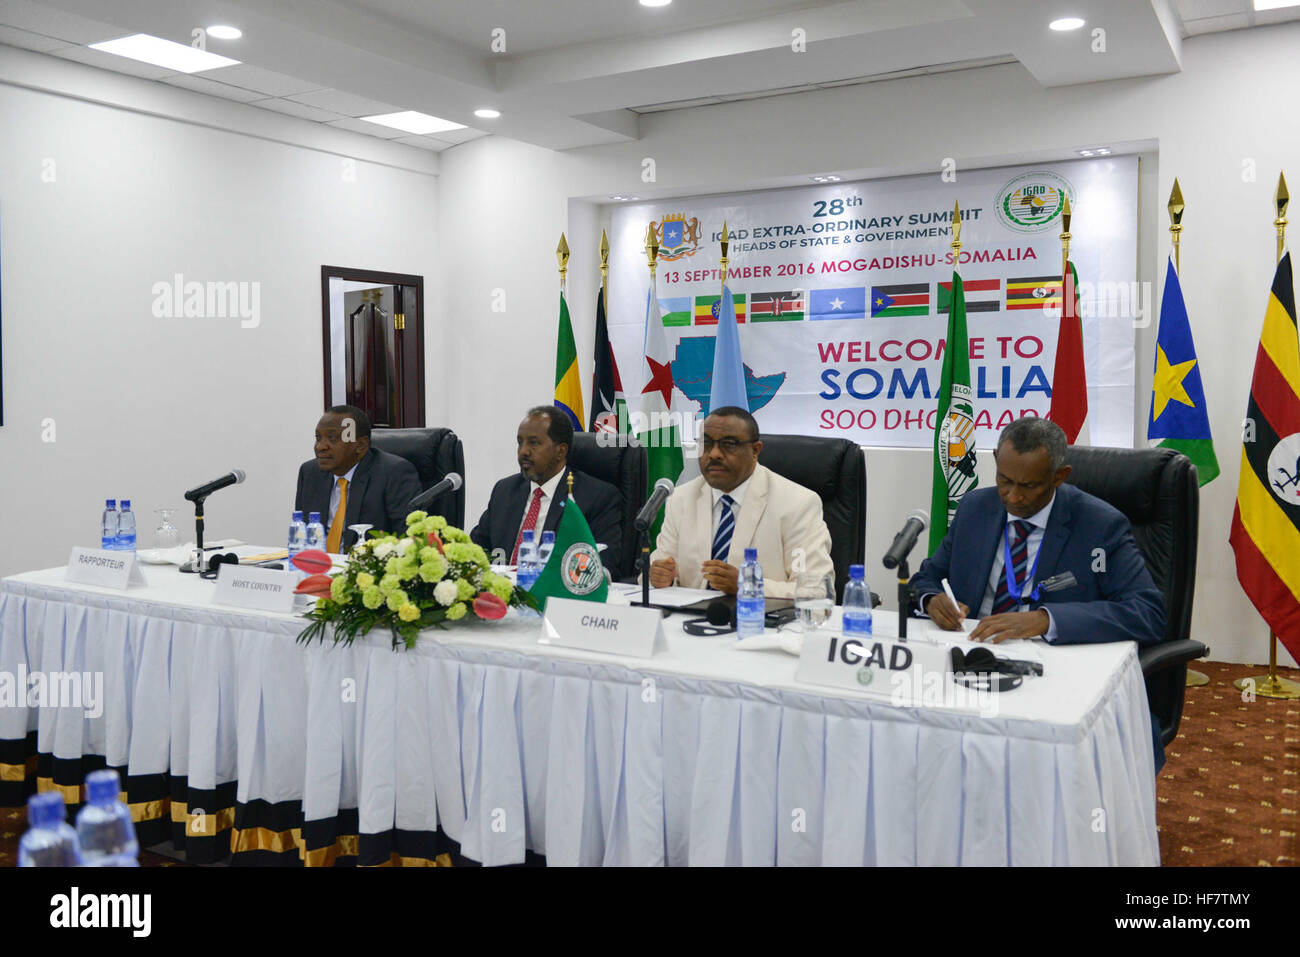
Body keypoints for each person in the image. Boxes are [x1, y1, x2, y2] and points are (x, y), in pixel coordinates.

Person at [910, 416, 1169, 769]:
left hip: (1054, 678)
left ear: (1059, 477)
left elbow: (1148, 612)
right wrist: (931, 600)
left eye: (1028, 486)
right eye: (1004, 480)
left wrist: (1046, 620)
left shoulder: (1099, 525)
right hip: (971, 663)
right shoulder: (976, 509)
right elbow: (929, 577)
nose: (1013, 496)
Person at [649, 406, 833, 598]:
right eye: (707, 443)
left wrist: (748, 586)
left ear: (755, 451)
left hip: (761, 623)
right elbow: (657, 572)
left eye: (729, 444)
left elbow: (816, 590)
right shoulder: (681, 499)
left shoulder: (798, 504)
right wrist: (661, 577)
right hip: (689, 621)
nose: (714, 454)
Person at [470, 406, 625, 576]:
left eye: (534, 443)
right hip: (501, 593)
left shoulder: (596, 497)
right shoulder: (505, 491)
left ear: (561, 451)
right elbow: (475, 550)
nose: (523, 452)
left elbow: (603, 565)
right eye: (520, 442)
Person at [294, 405, 422, 549]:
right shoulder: (310, 473)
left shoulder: (394, 473)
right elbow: (301, 536)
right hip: (317, 566)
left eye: (332, 438)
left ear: (360, 445)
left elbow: (408, 540)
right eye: (318, 438)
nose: (320, 447)